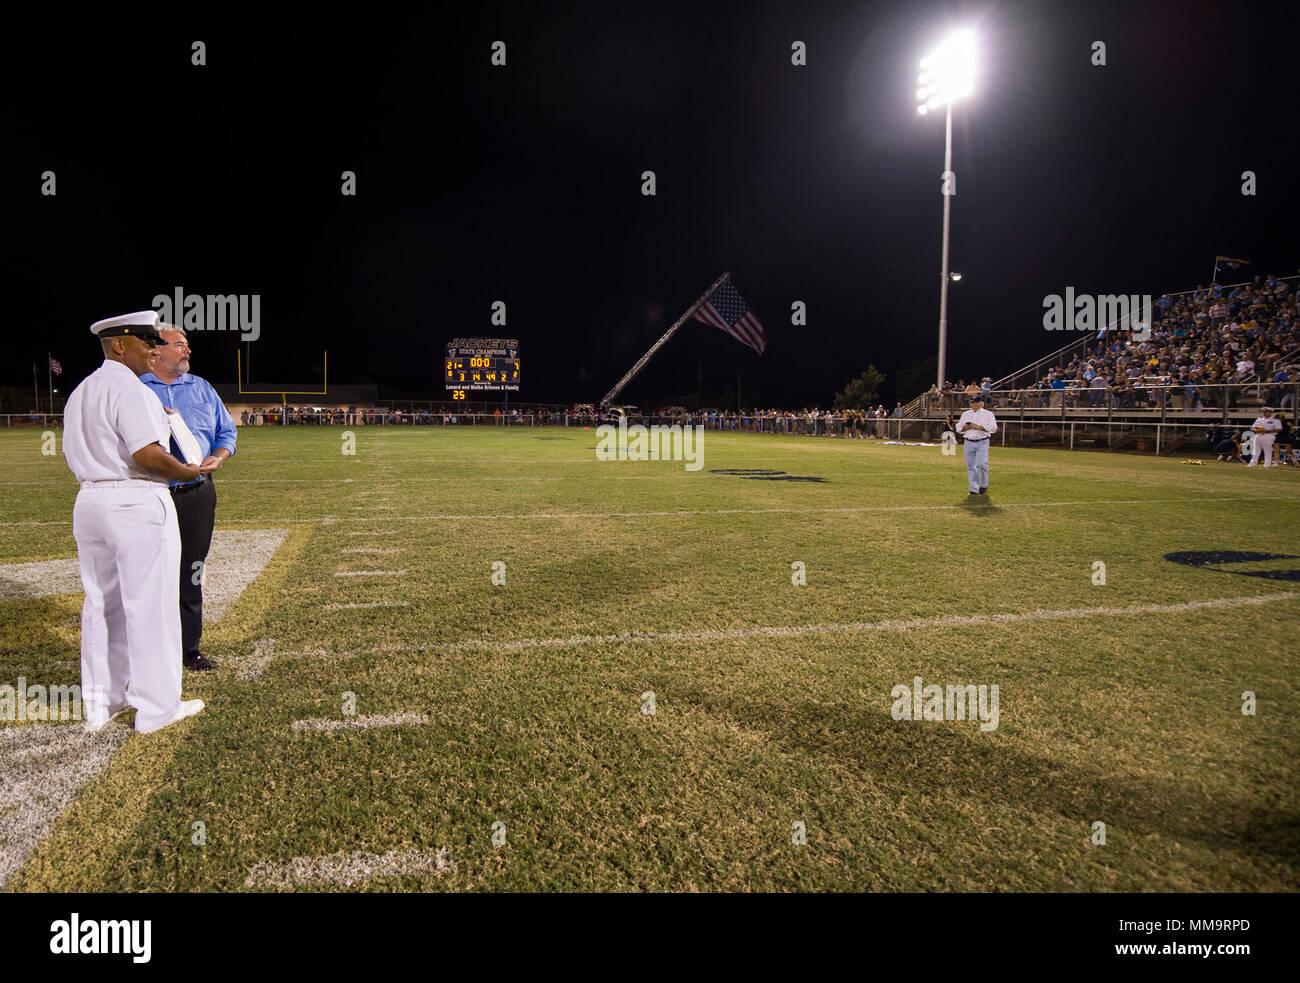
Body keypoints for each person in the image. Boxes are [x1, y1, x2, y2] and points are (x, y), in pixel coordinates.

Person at [62, 310, 205, 733]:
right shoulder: (131, 390)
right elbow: (147, 455)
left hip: (90, 501)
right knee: (152, 606)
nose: (154, 350)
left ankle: (102, 703)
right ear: (120, 345)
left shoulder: (81, 390)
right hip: (135, 499)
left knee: (102, 604)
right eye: (146, 342)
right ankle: (157, 709)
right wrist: (187, 471)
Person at [141, 325, 237, 671]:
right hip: (149, 493)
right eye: (180, 345)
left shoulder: (202, 388)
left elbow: (227, 431)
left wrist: (220, 455)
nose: (187, 351)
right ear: (156, 350)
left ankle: (188, 648)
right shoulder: (135, 388)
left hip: (197, 493)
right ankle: (147, 649)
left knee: (192, 569)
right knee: (147, 571)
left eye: (187, 345)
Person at [955, 393, 998, 495]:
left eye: (976, 402)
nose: (974, 404)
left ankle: (983, 485)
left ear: (981, 403)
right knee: (971, 466)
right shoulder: (965, 414)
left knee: (981, 464)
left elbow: (993, 428)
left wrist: (978, 427)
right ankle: (973, 488)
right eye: (972, 402)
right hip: (969, 442)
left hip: (982, 441)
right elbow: (959, 428)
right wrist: (966, 427)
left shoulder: (988, 414)